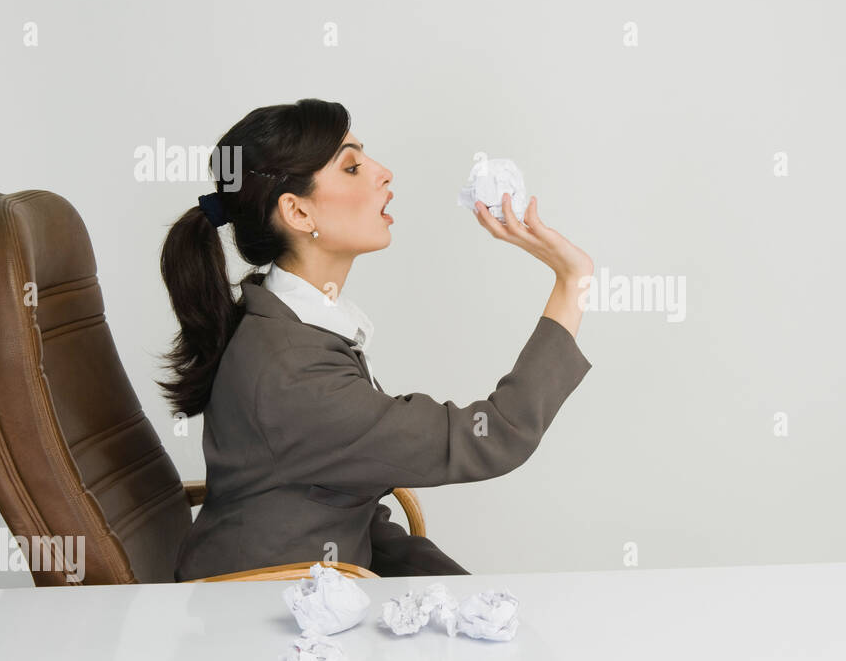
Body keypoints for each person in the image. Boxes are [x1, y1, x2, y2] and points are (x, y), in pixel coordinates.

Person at [158, 99, 593, 580]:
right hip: (261, 621)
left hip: (316, 593)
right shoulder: (293, 369)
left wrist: (463, 593)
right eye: (352, 166)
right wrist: (571, 280)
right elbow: (496, 434)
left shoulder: (292, 326)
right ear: (298, 212)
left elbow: (348, 500)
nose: (384, 173)